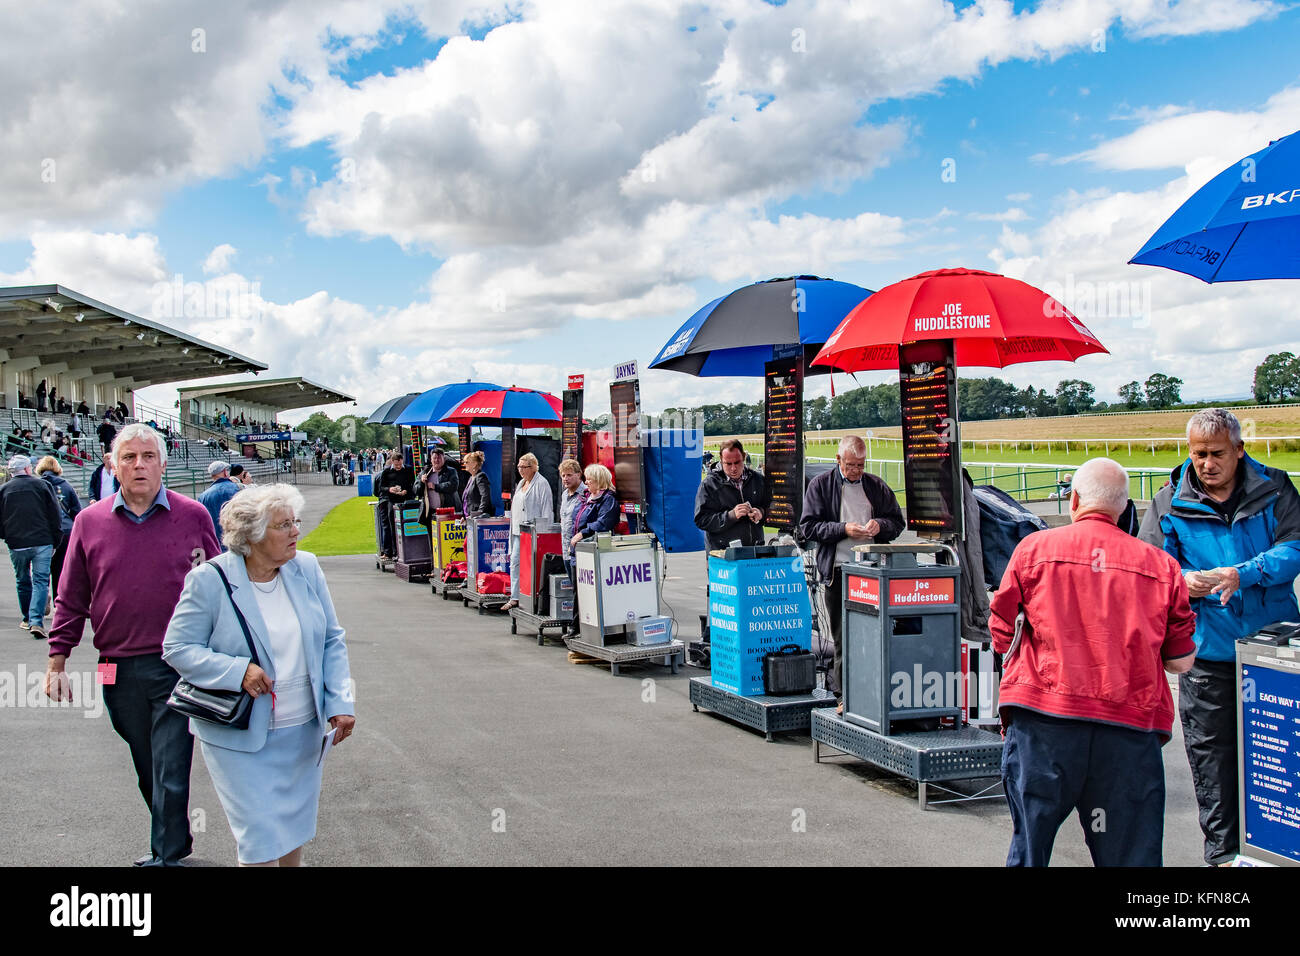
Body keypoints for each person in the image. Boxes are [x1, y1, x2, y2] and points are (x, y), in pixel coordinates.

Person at [990, 458, 1196, 866]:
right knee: (1128, 853)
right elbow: (1180, 662)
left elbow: (1001, 635)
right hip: (1128, 731)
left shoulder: (1033, 550)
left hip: (1045, 723)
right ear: (1124, 508)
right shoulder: (1163, 567)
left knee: (1031, 846)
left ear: (1075, 498)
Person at [44, 424, 221, 866]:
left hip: (177, 664)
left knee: (171, 761)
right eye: (129, 457)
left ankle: (164, 856)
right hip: (115, 665)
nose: (139, 465)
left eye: (147, 456)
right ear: (113, 465)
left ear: (163, 463)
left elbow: (218, 584)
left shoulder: (193, 515)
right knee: (146, 762)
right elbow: (70, 597)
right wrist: (56, 663)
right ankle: (174, 842)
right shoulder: (89, 522)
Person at [1138, 408, 1300, 865]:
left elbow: (1295, 547)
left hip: (1274, 656)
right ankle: (1224, 858)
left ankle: (1280, 852)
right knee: (1213, 763)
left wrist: (1242, 574)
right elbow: (1153, 567)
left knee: (1281, 759)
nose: (1206, 463)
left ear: (1239, 450)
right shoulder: (1168, 500)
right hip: (1207, 655)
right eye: (1198, 454)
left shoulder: (1276, 487)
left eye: (1217, 454)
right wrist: (1183, 581)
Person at [162, 484, 355, 866]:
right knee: (260, 834)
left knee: (294, 828)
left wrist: (340, 701)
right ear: (250, 535)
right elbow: (178, 648)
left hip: (303, 729)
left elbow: (332, 640)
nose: (295, 531)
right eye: (283, 525)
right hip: (239, 736)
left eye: (295, 521)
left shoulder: (307, 567)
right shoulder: (209, 580)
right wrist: (238, 671)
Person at [798, 435, 905, 699]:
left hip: (872, 571)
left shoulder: (876, 486)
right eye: (850, 465)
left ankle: (873, 693)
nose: (856, 471)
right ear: (838, 461)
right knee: (843, 638)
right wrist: (843, 529)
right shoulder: (821, 486)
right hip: (838, 572)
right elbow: (808, 527)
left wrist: (880, 525)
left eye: (861, 465)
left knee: (873, 635)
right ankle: (844, 696)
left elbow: (897, 522)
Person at [0, 454, 62, 638]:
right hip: (42, 540)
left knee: (22, 580)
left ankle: (27, 618)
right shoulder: (42, 486)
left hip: (17, 542)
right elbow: (54, 515)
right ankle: (36, 621)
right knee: (41, 581)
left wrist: (7, 536)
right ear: (28, 469)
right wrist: (56, 540)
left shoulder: (4, 490)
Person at [566, 464, 620, 635]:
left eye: (590, 479)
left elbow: (603, 523)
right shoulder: (587, 497)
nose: (586, 482)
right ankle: (577, 625)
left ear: (599, 480)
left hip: (593, 552)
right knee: (578, 591)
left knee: (590, 591)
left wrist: (582, 533)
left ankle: (582, 628)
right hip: (578, 551)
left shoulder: (608, 499)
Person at [694, 438, 771, 550]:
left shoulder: (758, 480)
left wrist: (761, 513)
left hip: (754, 552)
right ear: (721, 460)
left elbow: (772, 507)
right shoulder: (709, 485)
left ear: (744, 457)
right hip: (722, 557)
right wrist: (731, 515)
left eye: (737, 462)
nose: (733, 468)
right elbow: (701, 520)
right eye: (728, 464)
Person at [502, 452, 554, 611]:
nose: (520, 470)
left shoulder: (541, 483)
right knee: (515, 562)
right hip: (518, 531)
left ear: (533, 467)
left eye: (524, 467)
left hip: (533, 532)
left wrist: (545, 531)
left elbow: (547, 508)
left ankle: (529, 596)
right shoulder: (521, 483)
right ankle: (516, 596)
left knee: (529, 564)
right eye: (518, 466)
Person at [35, 455, 82, 608]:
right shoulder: (66, 486)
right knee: (60, 568)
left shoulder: (36, 485)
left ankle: (42, 599)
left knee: (41, 570)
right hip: (65, 530)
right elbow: (77, 511)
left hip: (43, 531)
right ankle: (58, 601)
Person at [376, 451, 414, 559]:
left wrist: (406, 491)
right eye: (396, 465)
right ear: (392, 462)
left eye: (400, 464)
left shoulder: (408, 470)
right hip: (392, 501)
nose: (398, 467)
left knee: (407, 525)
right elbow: (381, 488)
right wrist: (390, 489)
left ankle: (408, 550)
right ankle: (393, 551)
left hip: (406, 500)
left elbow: (413, 484)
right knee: (392, 526)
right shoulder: (386, 472)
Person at [199, 460, 242, 545]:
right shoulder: (238, 488)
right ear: (225, 472)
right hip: (237, 540)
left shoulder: (203, 496)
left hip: (216, 543)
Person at [419, 448, 461, 524]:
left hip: (447, 511)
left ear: (444, 459)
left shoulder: (451, 471)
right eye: (434, 458)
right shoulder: (425, 472)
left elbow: (453, 485)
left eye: (439, 458)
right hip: (431, 513)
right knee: (432, 535)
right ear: (431, 459)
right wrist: (421, 482)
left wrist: (436, 487)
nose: (437, 460)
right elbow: (416, 490)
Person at [461, 451, 494, 518]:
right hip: (470, 517)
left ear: (474, 464)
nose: (464, 464)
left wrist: (479, 513)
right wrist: (464, 516)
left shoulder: (480, 476)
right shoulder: (471, 478)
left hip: (479, 519)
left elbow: (485, 496)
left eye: (467, 462)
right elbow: (466, 500)